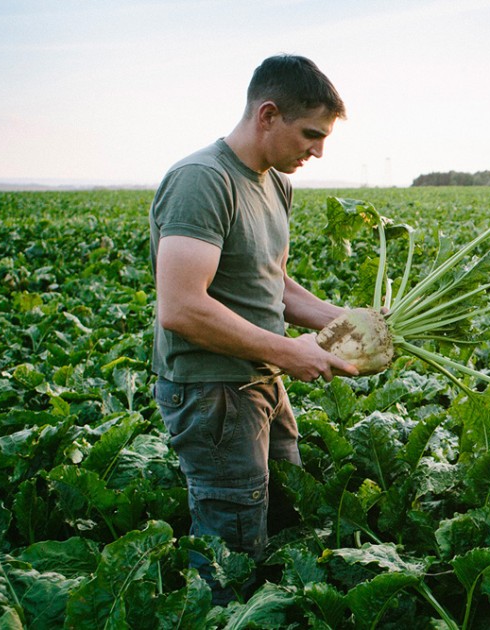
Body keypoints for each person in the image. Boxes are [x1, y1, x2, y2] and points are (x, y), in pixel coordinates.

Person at [148, 54, 358, 605]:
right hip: (212, 391)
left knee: (286, 513)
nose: (318, 151)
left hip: (261, 379)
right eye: (311, 134)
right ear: (267, 114)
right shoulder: (203, 180)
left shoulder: (275, 185)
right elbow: (181, 307)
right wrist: (288, 353)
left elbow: (277, 286)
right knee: (232, 548)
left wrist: (350, 324)